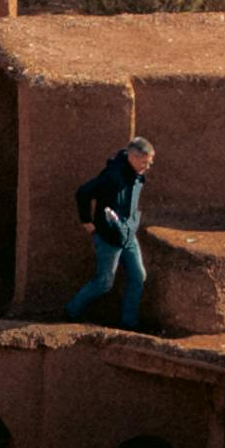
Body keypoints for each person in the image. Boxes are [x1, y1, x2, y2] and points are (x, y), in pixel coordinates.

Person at [65, 135, 155, 332]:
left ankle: (128, 323)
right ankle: (71, 313)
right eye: (144, 162)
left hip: (128, 236)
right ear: (132, 157)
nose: (147, 167)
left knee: (138, 276)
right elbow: (83, 193)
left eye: (149, 162)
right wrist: (87, 222)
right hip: (108, 238)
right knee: (104, 282)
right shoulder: (111, 177)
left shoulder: (136, 176)